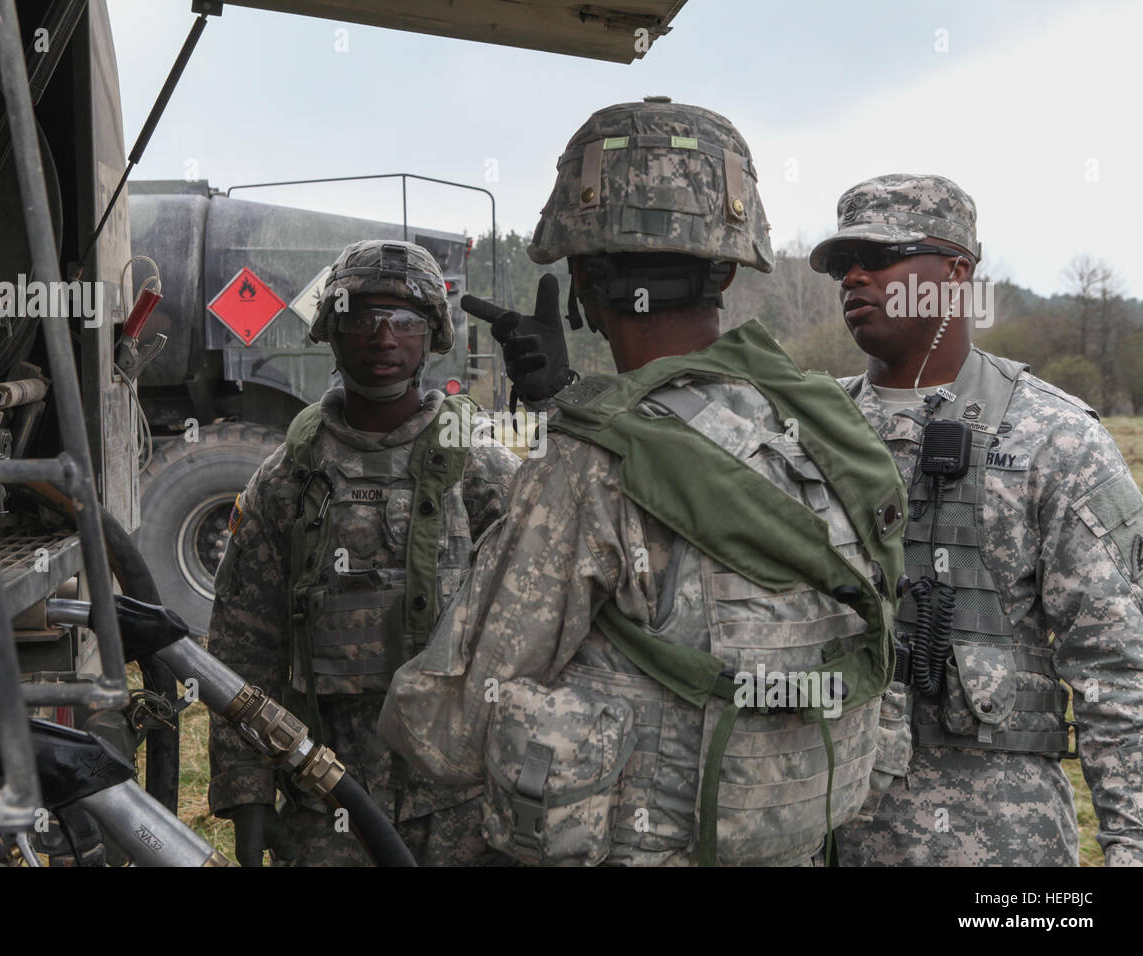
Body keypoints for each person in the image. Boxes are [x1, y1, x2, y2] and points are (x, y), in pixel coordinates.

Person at [377, 98, 910, 867]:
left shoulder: (588, 468)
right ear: (727, 267)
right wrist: (571, 402)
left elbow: (452, 719)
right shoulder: (834, 427)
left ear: (583, 277)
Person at [807, 173, 1143, 866]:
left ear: (956, 273)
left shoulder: (1053, 437)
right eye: (843, 263)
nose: (855, 277)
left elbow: (1120, 671)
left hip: (997, 851)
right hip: (824, 838)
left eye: (881, 255)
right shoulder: (805, 432)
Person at [206, 239, 521, 865]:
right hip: (328, 807)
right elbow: (246, 646)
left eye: (405, 321)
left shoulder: (482, 471)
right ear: (332, 331)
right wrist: (246, 794)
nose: (384, 338)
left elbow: (532, 636)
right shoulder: (288, 479)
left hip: (462, 809)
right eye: (362, 318)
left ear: (433, 335)